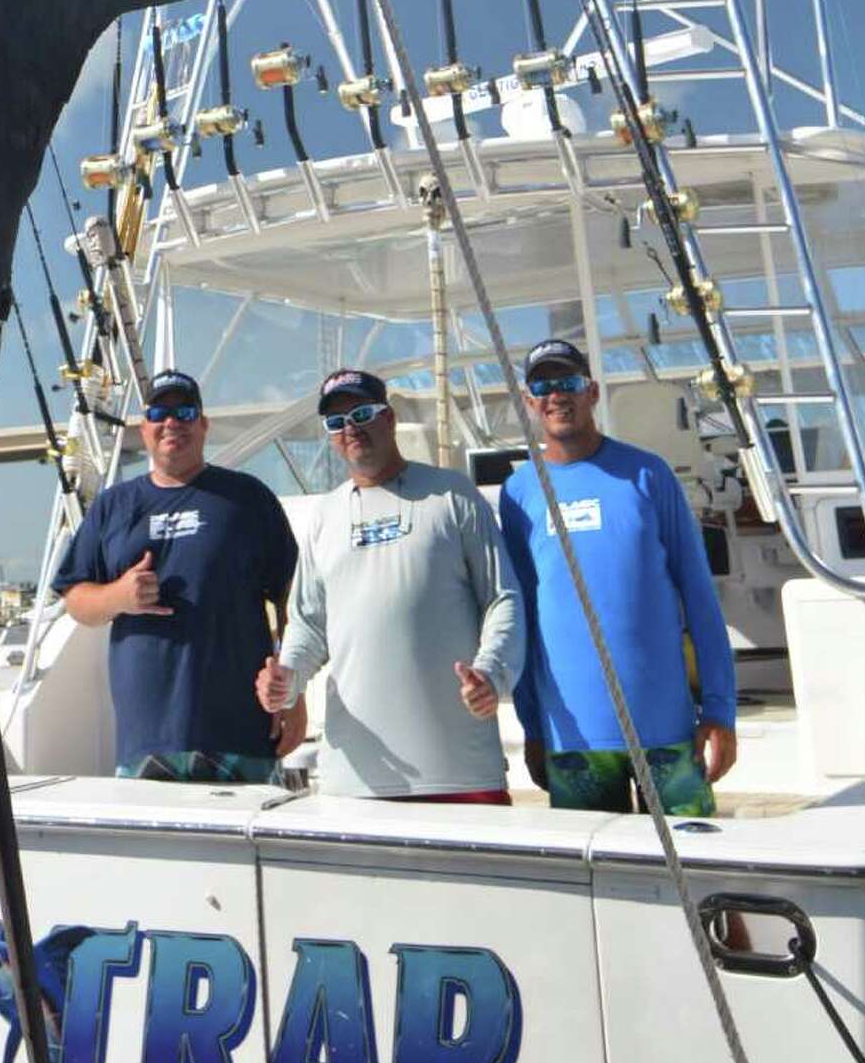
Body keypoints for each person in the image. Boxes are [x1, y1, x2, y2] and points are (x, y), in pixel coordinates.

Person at [257, 365, 522, 801]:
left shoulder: (454, 495)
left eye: (362, 414)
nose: (351, 428)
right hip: (357, 780)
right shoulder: (325, 516)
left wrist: (492, 674)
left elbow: (502, 598)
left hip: (462, 773)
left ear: (389, 417)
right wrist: (287, 679)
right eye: (337, 422)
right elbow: (308, 625)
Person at [498, 337, 739, 816]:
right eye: (543, 387)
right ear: (529, 402)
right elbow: (522, 616)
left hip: (667, 734)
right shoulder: (518, 492)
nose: (556, 396)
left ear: (591, 391)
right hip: (573, 740)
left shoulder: (648, 474)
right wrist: (533, 727)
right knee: (594, 866)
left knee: (691, 856)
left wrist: (719, 710)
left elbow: (699, 596)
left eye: (568, 382)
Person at [53, 368, 300, 784]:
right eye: (158, 413)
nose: (172, 422)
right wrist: (119, 597)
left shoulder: (248, 498)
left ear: (203, 425)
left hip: (243, 728)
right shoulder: (113, 505)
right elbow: (76, 599)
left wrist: (295, 694)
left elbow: (293, 600)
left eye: (185, 413)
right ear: (144, 428)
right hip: (147, 736)